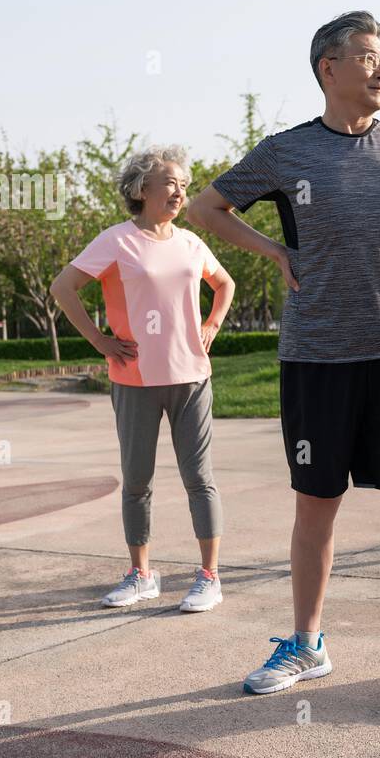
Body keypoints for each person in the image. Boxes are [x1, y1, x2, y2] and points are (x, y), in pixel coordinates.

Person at [185, 11, 380, 719]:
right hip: (315, 357)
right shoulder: (286, 153)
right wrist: (275, 251)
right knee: (316, 507)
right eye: (370, 57)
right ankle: (308, 642)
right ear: (329, 69)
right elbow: (206, 206)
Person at [50, 145, 234, 613]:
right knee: (137, 481)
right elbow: (63, 287)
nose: (180, 191)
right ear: (142, 188)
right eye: (170, 182)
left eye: (184, 185)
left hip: (191, 376)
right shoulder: (116, 241)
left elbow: (224, 283)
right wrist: (100, 342)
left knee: (200, 478)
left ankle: (209, 577)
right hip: (133, 379)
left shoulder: (192, 243)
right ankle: (141, 575)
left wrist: (211, 325)